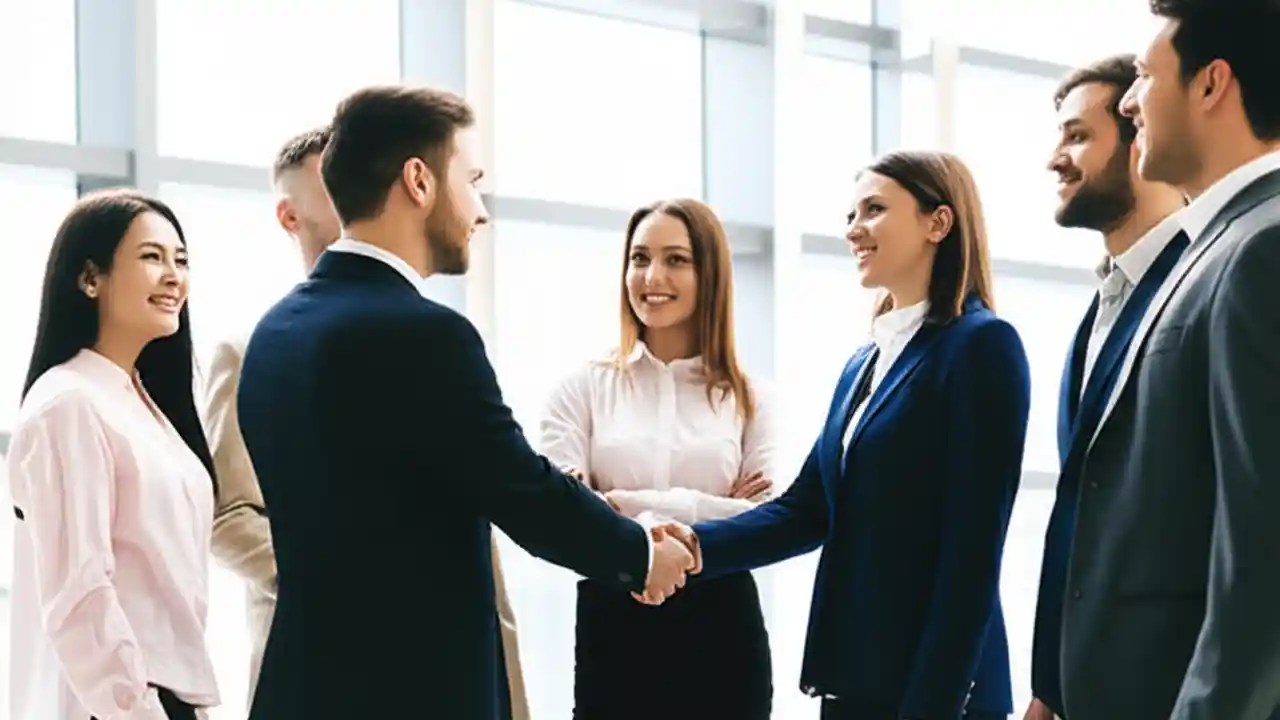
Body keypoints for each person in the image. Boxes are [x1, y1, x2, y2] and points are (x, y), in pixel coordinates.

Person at [234, 85, 697, 720]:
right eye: (471, 179)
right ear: (419, 181)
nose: (480, 210)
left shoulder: (273, 332)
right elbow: (520, 490)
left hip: (300, 690)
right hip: (414, 692)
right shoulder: (424, 335)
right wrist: (640, 554)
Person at [661, 150, 1030, 719]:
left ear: (938, 223)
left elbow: (973, 556)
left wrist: (932, 707)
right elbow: (807, 510)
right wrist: (694, 547)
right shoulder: (867, 361)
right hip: (856, 682)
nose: (853, 230)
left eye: (874, 210)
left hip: (933, 693)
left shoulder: (982, 346)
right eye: (851, 215)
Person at [202, 126, 531, 718]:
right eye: (331, 189)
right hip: (321, 664)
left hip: (461, 654)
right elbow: (228, 516)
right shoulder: (250, 351)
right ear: (288, 216)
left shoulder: (424, 337)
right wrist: (350, 578)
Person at [1055, 0, 1280, 717]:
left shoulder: (1261, 247)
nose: (1129, 101)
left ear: (1212, 84)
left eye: (1145, 77)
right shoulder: (1217, 244)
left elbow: (1262, 547)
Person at [541, 198, 775, 719]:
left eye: (676, 259)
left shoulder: (753, 398)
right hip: (614, 623)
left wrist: (616, 505)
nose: (652, 276)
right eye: (640, 258)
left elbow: (767, 521)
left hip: (724, 628)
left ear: (709, 272)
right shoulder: (581, 389)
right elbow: (559, 515)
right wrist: (709, 507)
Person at [7, 190, 220, 720]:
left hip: (166, 698)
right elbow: (80, 593)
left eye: (181, 260)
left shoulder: (144, 406)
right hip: (115, 704)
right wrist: (138, 709)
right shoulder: (69, 403)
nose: (174, 275)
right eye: (152, 257)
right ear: (89, 278)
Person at [1025, 54, 1188, 720]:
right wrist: (1052, 684)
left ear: (1139, 135)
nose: (1055, 158)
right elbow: (1086, 512)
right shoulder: (1100, 307)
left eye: (1077, 136)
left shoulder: (1209, 281)